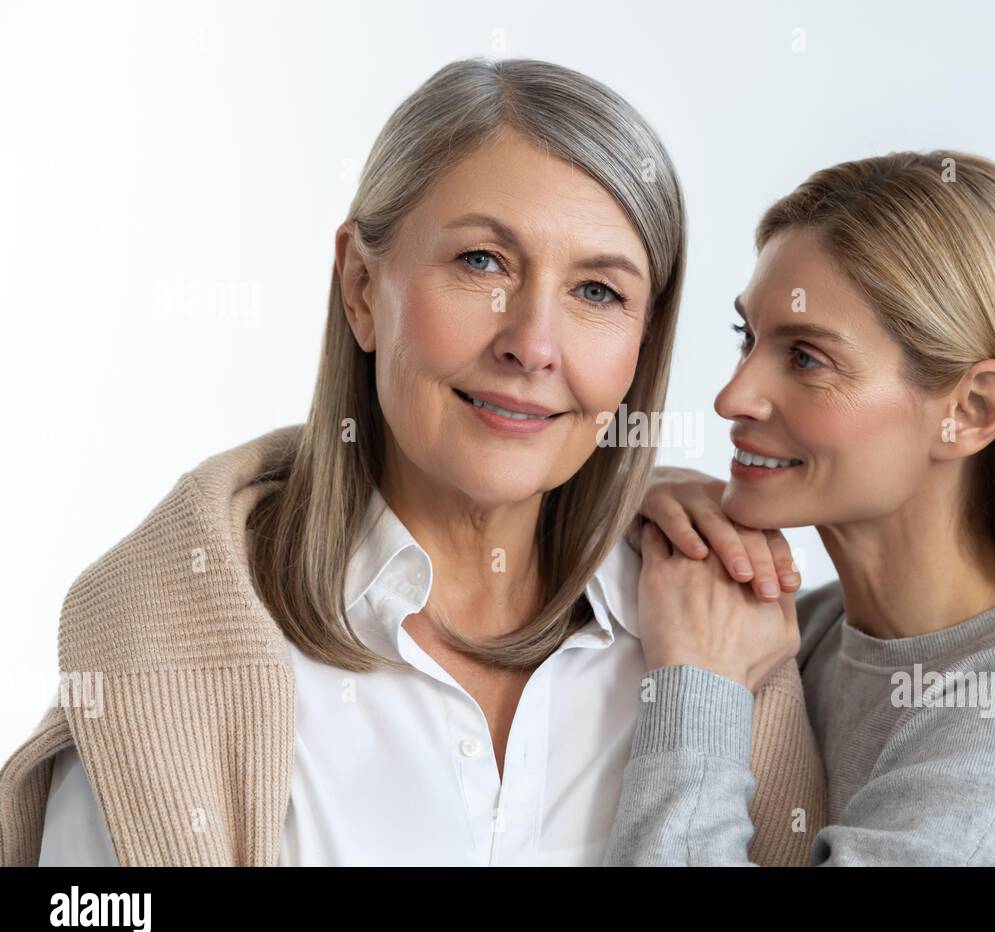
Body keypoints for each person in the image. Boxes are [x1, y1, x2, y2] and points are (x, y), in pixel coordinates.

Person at [0, 58, 824, 867]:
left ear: (643, 344)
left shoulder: (721, 641)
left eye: (597, 292)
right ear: (362, 287)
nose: (531, 345)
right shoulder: (176, 671)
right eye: (482, 263)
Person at [603, 150, 995, 866]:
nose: (732, 397)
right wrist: (624, 499)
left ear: (971, 409)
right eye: (749, 339)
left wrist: (696, 689)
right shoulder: (798, 633)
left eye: (806, 358)